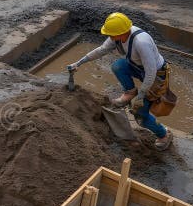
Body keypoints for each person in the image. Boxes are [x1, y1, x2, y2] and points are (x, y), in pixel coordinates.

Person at [68, 12, 173, 151]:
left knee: (140, 114)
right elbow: (102, 50)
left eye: (111, 34)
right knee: (118, 66)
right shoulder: (117, 36)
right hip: (137, 66)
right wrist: (79, 62)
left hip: (155, 76)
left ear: (122, 31)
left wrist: (141, 96)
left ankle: (164, 134)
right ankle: (130, 92)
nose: (109, 37)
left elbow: (151, 72)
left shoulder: (141, 42)